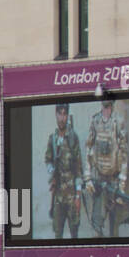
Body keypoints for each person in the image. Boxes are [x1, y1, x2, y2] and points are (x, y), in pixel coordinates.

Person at [83, 98, 128, 238]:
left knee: (114, 226)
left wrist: (121, 184)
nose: (106, 107)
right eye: (104, 104)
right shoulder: (95, 121)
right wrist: (88, 177)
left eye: (109, 104)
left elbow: (124, 153)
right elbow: (88, 149)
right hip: (99, 179)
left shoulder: (118, 121)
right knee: (97, 224)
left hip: (114, 179)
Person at [45, 101, 84, 239]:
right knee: (58, 234)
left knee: (74, 233)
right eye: (59, 114)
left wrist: (78, 196)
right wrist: (52, 170)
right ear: (55, 115)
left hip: (72, 196)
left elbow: (79, 169)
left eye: (64, 114)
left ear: (67, 116)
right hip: (58, 197)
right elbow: (48, 159)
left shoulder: (73, 138)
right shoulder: (53, 139)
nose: (62, 118)